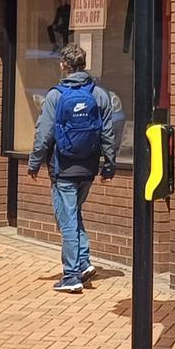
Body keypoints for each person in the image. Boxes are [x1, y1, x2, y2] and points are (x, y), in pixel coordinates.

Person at [27, 42, 123, 292]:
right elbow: (108, 133)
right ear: (83, 64)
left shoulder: (56, 96)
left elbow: (44, 134)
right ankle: (83, 262)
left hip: (63, 168)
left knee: (67, 219)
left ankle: (71, 276)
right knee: (74, 213)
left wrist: (34, 163)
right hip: (88, 168)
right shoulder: (99, 94)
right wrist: (109, 165)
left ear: (63, 66)